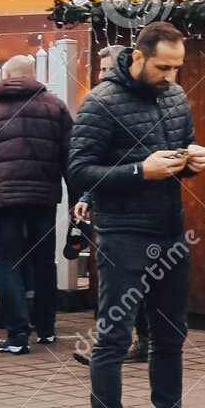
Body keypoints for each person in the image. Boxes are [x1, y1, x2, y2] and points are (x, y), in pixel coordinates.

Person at [68, 21, 205, 408]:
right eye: (163, 66)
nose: (171, 75)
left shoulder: (175, 97)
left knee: (170, 337)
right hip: (123, 234)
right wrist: (138, 172)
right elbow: (79, 171)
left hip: (169, 230)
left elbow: (171, 161)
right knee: (112, 340)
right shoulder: (99, 102)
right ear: (138, 57)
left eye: (177, 67)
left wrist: (191, 163)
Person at [0, 55, 72, 355]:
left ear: (6, 75)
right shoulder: (55, 107)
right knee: (44, 261)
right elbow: (69, 159)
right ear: (33, 75)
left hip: (5, 199)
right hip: (43, 197)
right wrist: (77, 200)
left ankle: (17, 335)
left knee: (8, 263)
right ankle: (46, 329)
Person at [72, 45, 151, 367]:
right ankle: (130, 341)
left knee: (127, 282)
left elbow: (133, 161)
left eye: (107, 69)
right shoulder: (103, 105)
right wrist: (88, 197)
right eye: (100, 70)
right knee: (118, 282)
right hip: (111, 209)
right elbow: (97, 161)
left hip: (137, 210)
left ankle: (125, 343)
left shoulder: (139, 105)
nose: (102, 75)